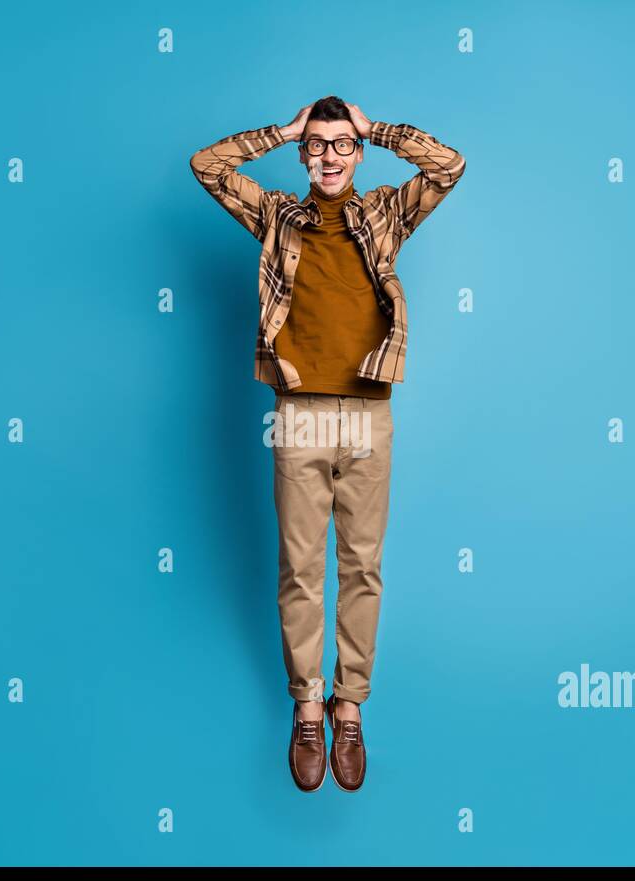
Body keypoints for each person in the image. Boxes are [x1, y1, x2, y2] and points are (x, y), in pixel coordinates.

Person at [189, 96, 465, 792]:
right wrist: (283, 130)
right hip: (299, 412)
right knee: (300, 568)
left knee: (363, 566)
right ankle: (308, 704)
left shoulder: (384, 215)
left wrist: (377, 128)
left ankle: (351, 707)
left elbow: (449, 165)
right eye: (316, 146)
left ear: (359, 153)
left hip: (368, 412)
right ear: (303, 155)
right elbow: (208, 166)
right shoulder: (278, 215)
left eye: (343, 145)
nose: (330, 157)